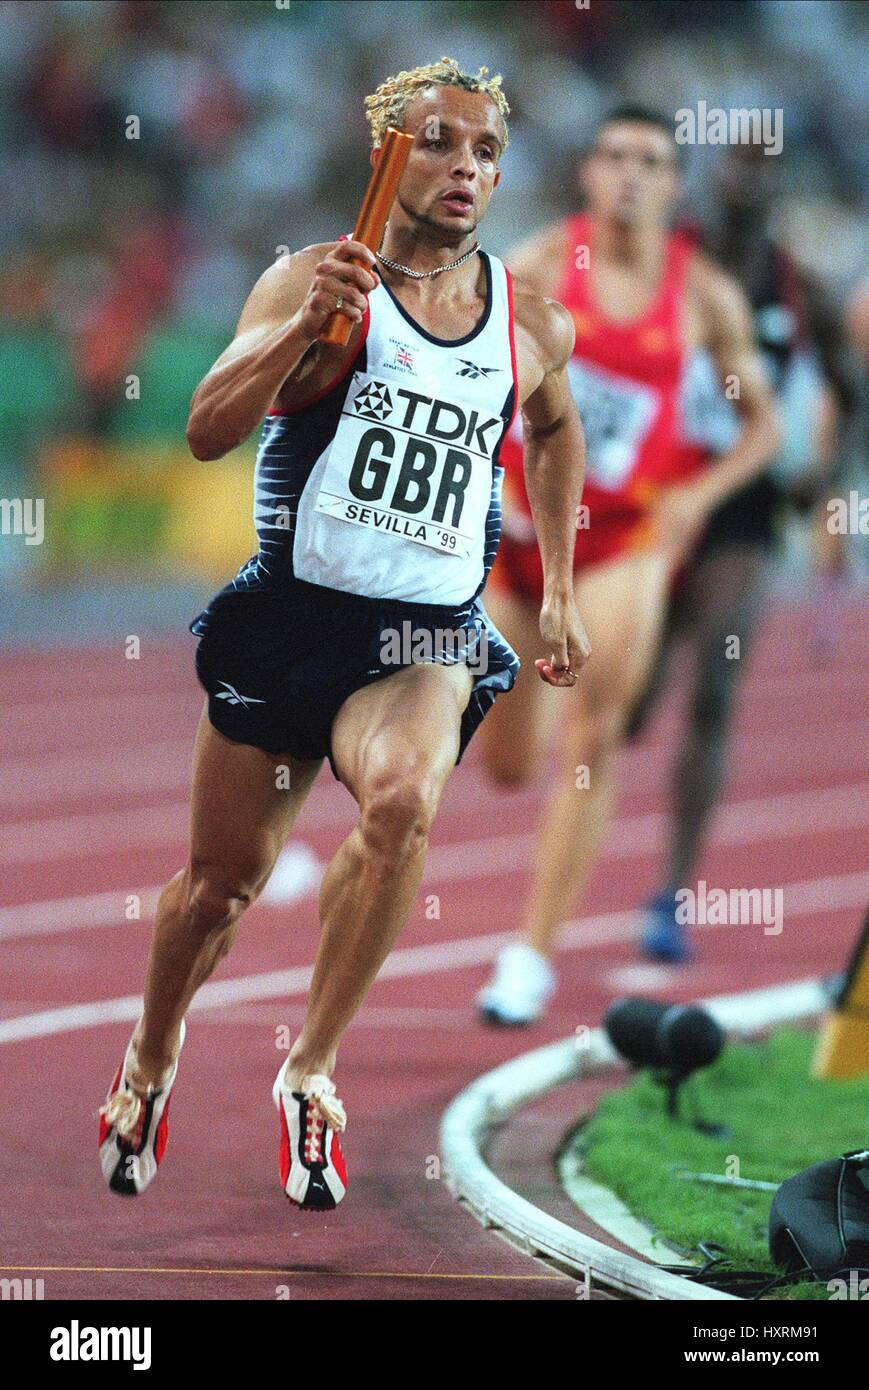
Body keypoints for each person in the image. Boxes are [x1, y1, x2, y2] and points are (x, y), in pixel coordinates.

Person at [98, 58, 589, 1209]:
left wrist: (556, 580)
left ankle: (310, 1069)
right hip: (290, 622)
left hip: (423, 635)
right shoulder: (309, 279)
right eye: (437, 143)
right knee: (219, 889)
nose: (464, 167)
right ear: (386, 153)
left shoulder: (528, 320)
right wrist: (300, 335)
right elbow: (207, 429)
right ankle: (151, 1052)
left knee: (404, 800)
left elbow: (556, 427)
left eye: (482, 151)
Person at [476, 106, 780, 1025]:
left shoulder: (704, 297)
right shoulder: (533, 263)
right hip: (523, 538)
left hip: (623, 541)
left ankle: (528, 955)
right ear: (586, 173)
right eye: (613, 155)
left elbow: (762, 426)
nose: (630, 174)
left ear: (673, 184)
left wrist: (696, 494)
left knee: (594, 738)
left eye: (651, 159)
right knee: (505, 761)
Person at [629, 141, 858, 961]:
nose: (746, 180)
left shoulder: (800, 291)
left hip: (741, 508)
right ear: (708, 180)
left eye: (762, 167)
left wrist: (826, 474)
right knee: (626, 703)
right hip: (647, 502)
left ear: (777, 187)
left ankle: (671, 896)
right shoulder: (659, 266)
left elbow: (848, 385)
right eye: (734, 163)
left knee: (713, 694)